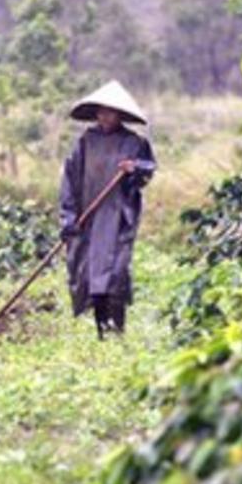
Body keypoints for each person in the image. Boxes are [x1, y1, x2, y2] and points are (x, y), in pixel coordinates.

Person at [59, 80, 156, 339]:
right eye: (101, 112)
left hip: (117, 219)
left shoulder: (133, 143)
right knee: (91, 278)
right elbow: (69, 179)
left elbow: (147, 172)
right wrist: (69, 217)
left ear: (120, 115)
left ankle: (117, 331)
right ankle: (102, 332)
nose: (105, 117)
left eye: (110, 112)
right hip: (87, 219)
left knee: (115, 276)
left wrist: (134, 168)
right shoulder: (85, 142)